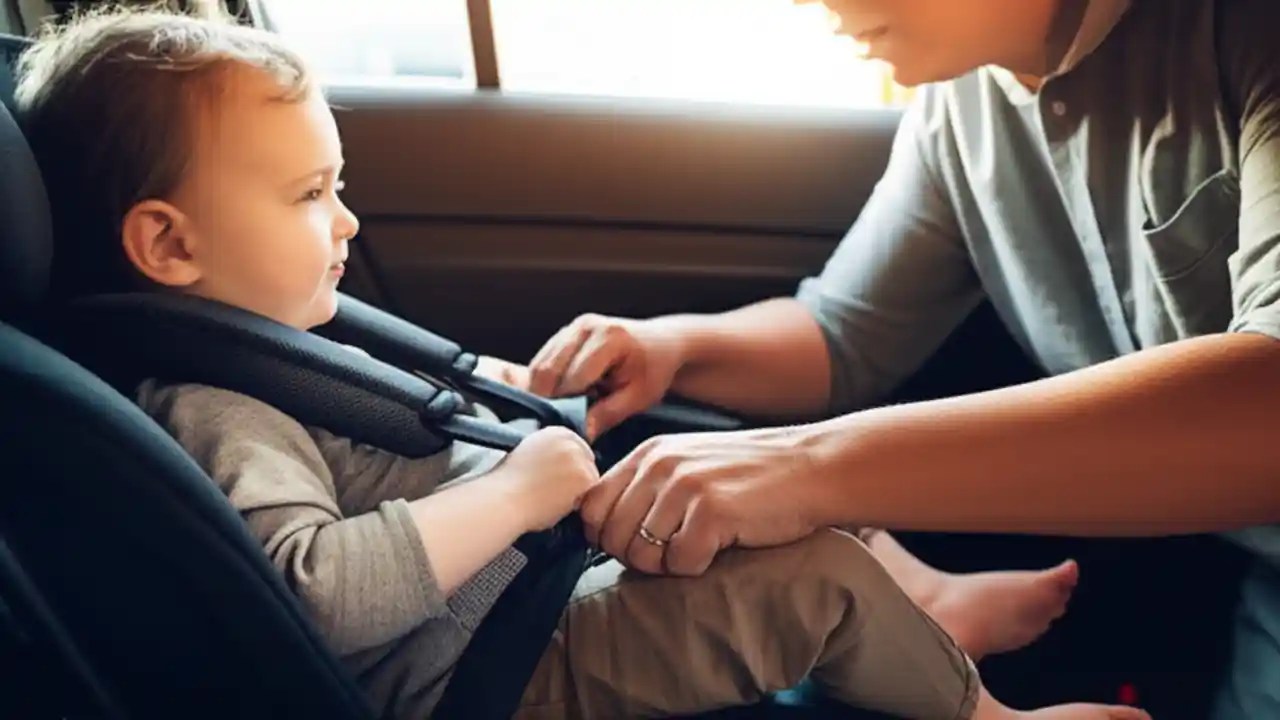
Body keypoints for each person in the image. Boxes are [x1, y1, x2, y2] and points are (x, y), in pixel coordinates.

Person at [13, 5, 1151, 720]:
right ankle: (980, 714)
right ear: (167, 242)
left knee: (747, 477)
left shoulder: (269, 343)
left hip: (525, 590)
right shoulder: (215, 406)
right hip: (503, 667)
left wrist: (499, 404)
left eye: (340, 187)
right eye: (311, 196)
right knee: (814, 576)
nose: (346, 222)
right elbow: (318, 594)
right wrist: (514, 487)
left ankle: (931, 603)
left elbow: (393, 445)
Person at [510, 0, 1280, 717]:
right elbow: (844, 334)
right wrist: (673, 348)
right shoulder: (964, 106)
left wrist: (805, 472)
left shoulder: (1248, 35)